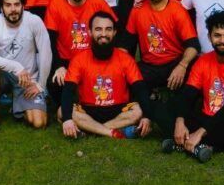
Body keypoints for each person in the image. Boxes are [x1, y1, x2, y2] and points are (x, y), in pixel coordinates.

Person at [162, 10, 224, 163]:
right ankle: (200, 146)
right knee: (167, 108)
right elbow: (188, 95)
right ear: (209, 37)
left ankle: (187, 142)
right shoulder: (203, 61)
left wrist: (199, 132)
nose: (222, 41)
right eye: (217, 35)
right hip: (209, 117)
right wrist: (179, 122)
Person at [60, 11, 154, 139]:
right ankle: (110, 132)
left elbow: (140, 89)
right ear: (90, 32)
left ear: (114, 32)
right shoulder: (78, 59)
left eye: (108, 29)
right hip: (88, 110)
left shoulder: (125, 59)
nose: (103, 34)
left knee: (139, 110)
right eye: (98, 29)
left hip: (119, 110)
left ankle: (93, 130)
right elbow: (68, 91)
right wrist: (67, 120)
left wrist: (147, 116)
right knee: (62, 111)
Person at [0, 0, 52, 135]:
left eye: (17, 4)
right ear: (1, 8)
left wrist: (40, 85)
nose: (13, 9)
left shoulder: (34, 21)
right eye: (8, 5)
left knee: (39, 123)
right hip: (3, 77)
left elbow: (46, 53)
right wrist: (16, 67)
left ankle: (17, 106)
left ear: (23, 6)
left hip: (27, 79)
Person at [121, 0, 200, 95]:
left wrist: (182, 65)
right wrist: (119, 65)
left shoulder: (177, 9)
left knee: (195, 66)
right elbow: (125, 45)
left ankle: (174, 98)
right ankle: (151, 97)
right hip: (149, 66)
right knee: (124, 75)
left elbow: (193, 45)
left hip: (174, 62)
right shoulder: (137, 10)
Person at [44, 0, 115, 106]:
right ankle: (67, 107)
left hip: (92, 57)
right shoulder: (56, 5)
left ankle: (85, 102)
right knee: (55, 83)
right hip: (66, 60)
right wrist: (58, 66)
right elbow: (50, 40)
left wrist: (106, 60)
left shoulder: (98, 3)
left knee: (102, 86)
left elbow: (112, 32)